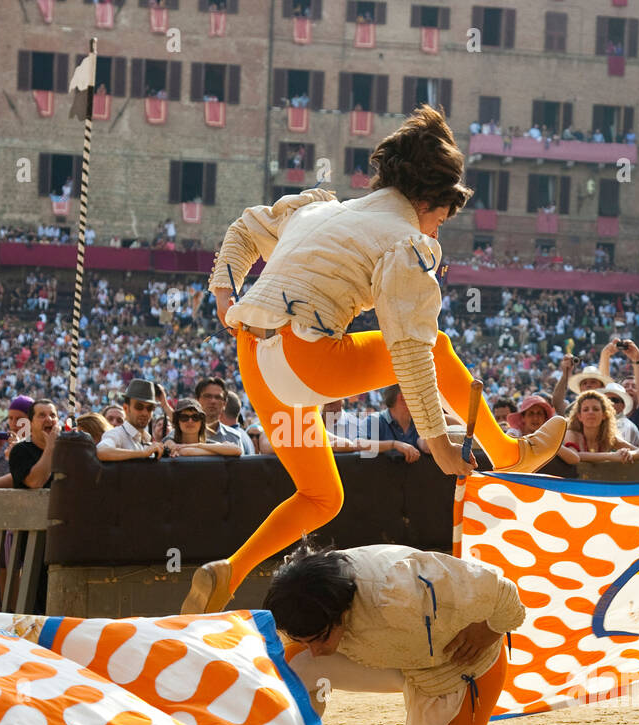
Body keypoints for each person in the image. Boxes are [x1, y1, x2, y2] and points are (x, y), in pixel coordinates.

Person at [184, 106, 566, 614]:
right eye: (440, 220)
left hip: (253, 355)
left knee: (321, 496)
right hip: (304, 359)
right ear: (428, 202)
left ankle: (228, 573)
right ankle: (510, 453)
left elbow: (245, 227)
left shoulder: (319, 209)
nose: (437, 233)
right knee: (439, 346)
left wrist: (223, 296)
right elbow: (411, 349)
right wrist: (440, 443)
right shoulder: (405, 240)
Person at [152, 540, 523, 725]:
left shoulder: (402, 587)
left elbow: (507, 593)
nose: (315, 649)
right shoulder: (311, 596)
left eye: (319, 637)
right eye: (305, 637)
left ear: (342, 611)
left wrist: (488, 629)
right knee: (289, 673)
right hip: (395, 660)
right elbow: (299, 652)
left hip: (461, 669)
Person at [557, 390, 639, 465]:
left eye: (596, 409)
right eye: (585, 410)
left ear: (604, 415)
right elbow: (574, 455)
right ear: (579, 416)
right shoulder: (571, 434)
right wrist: (611, 456)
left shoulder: (609, 437)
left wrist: (627, 454)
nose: (591, 412)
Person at [96, 379, 165, 462]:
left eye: (150, 408)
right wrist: (143, 453)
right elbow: (101, 451)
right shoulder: (117, 434)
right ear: (126, 408)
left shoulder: (147, 439)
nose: (145, 413)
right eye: (139, 406)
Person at [163, 398, 242, 457]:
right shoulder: (169, 442)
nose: (190, 421)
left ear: (202, 422)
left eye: (195, 417)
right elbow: (185, 452)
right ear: (178, 421)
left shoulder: (208, 444)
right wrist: (220, 452)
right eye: (184, 417)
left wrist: (198, 445)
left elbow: (237, 450)